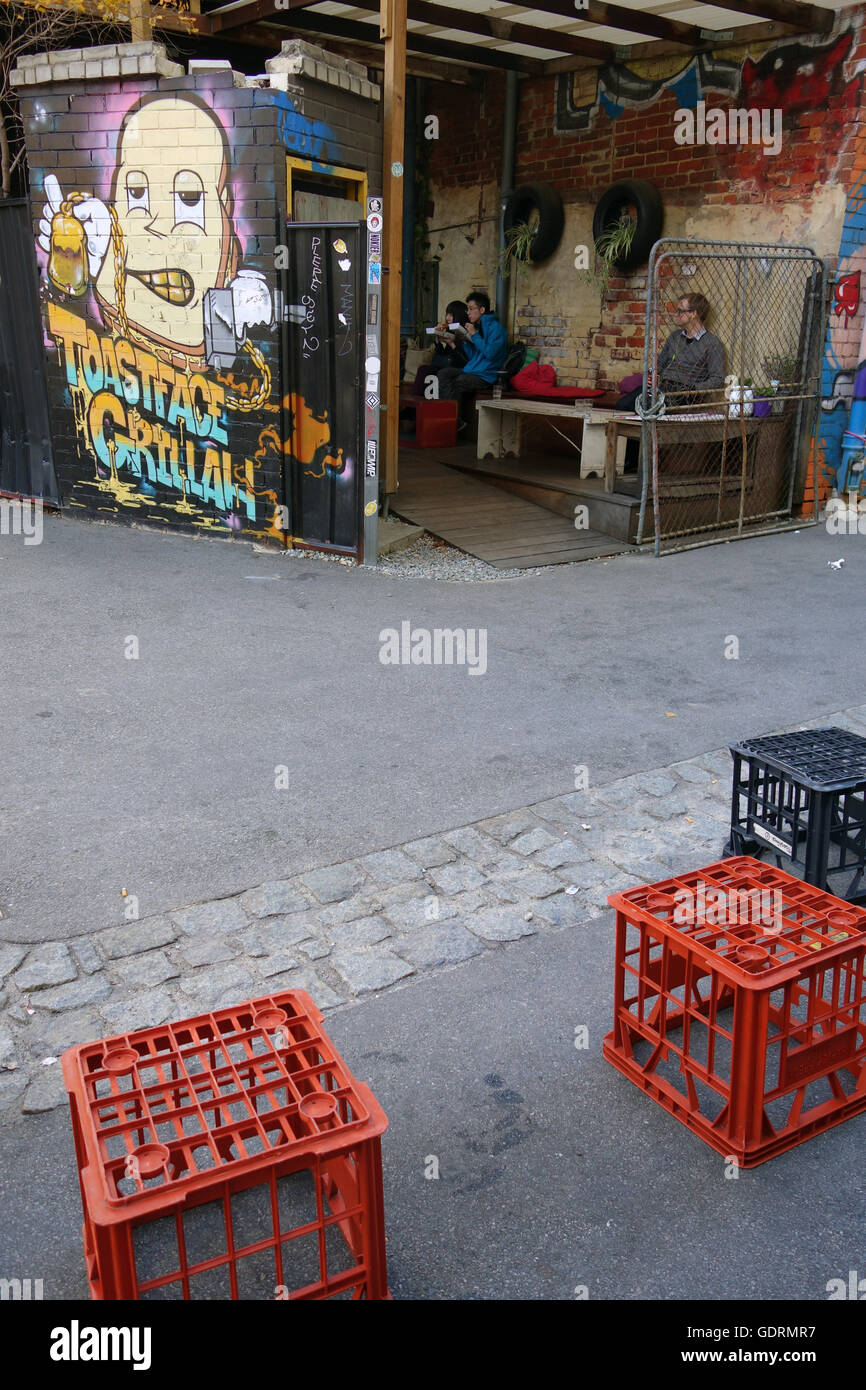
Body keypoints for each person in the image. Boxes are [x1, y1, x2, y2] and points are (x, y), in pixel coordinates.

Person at [617, 292, 726, 413]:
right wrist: (653, 375)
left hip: (684, 392)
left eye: (680, 311)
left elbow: (718, 378)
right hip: (662, 387)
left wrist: (693, 390)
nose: (676, 314)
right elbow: (660, 365)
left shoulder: (712, 343)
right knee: (622, 404)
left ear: (693, 314)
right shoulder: (675, 337)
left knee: (648, 408)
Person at [437, 290, 508, 431]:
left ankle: (452, 422)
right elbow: (474, 356)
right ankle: (451, 418)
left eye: (471, 309)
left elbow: (490, 354)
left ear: (482, 310)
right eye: (467, 309)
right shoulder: (480, 327)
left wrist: (474, 335)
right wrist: (464, 341)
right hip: (474, 369)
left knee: (458, 381)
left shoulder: (496, 329)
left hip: (487, 375)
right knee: (444, 374)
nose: (468, 313)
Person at [430, 301, 469, 373]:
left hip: (459, 369)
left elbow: (464, 362)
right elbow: (442, 357)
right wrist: (437, 339)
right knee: (423, 369)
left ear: (459, 316)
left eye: (451, 315)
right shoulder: (450, 331)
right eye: (447, 314)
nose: (447, 318)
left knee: (441, 372)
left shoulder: (466, 333)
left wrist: (452, 344)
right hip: (447, 366)